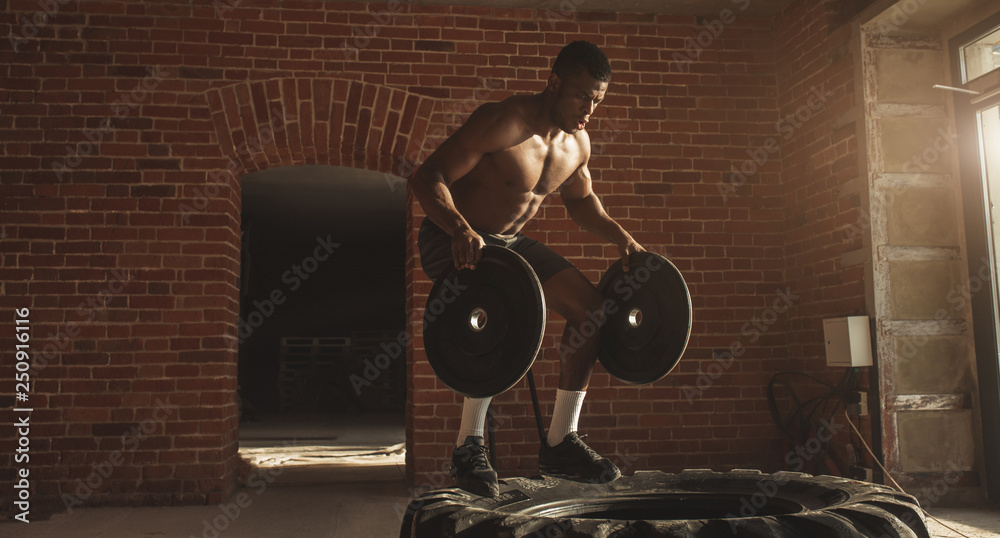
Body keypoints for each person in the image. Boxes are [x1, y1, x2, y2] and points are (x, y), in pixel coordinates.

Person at [412, 40, 644, 497]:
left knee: (591, 309)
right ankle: (468, 445)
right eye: (582, 96)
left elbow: (581, 201)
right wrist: (459, 226)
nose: (589, 109)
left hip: (509, 245)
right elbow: (427, 177)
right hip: (451, 236)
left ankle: (561, 441)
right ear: (554, 82)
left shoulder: (577, 144)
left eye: (597, 100)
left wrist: (622, 237)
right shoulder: (504, 121)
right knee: (506, 302)